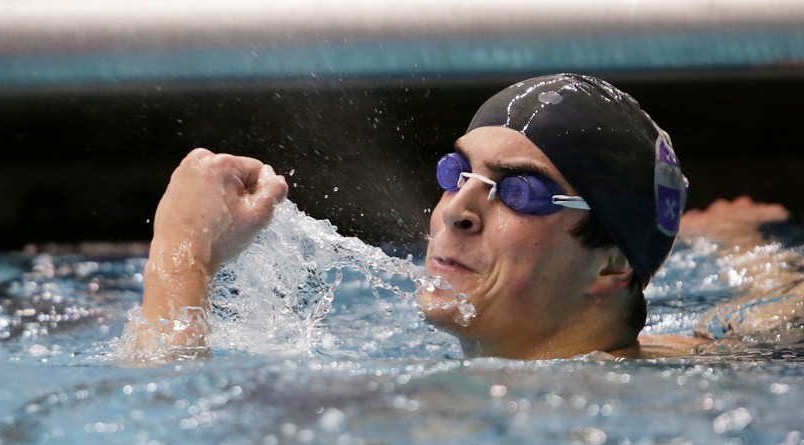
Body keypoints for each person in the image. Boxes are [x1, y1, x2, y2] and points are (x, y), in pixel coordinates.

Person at [121, 73, 788, 361]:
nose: (458, 211)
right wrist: (742, 244)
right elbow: (776, 313)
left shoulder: (498, 414)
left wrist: (181, 250)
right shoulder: (689, 356)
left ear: (612, 264)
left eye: (520, 192)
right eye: (456, 174)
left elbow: (163, 429)